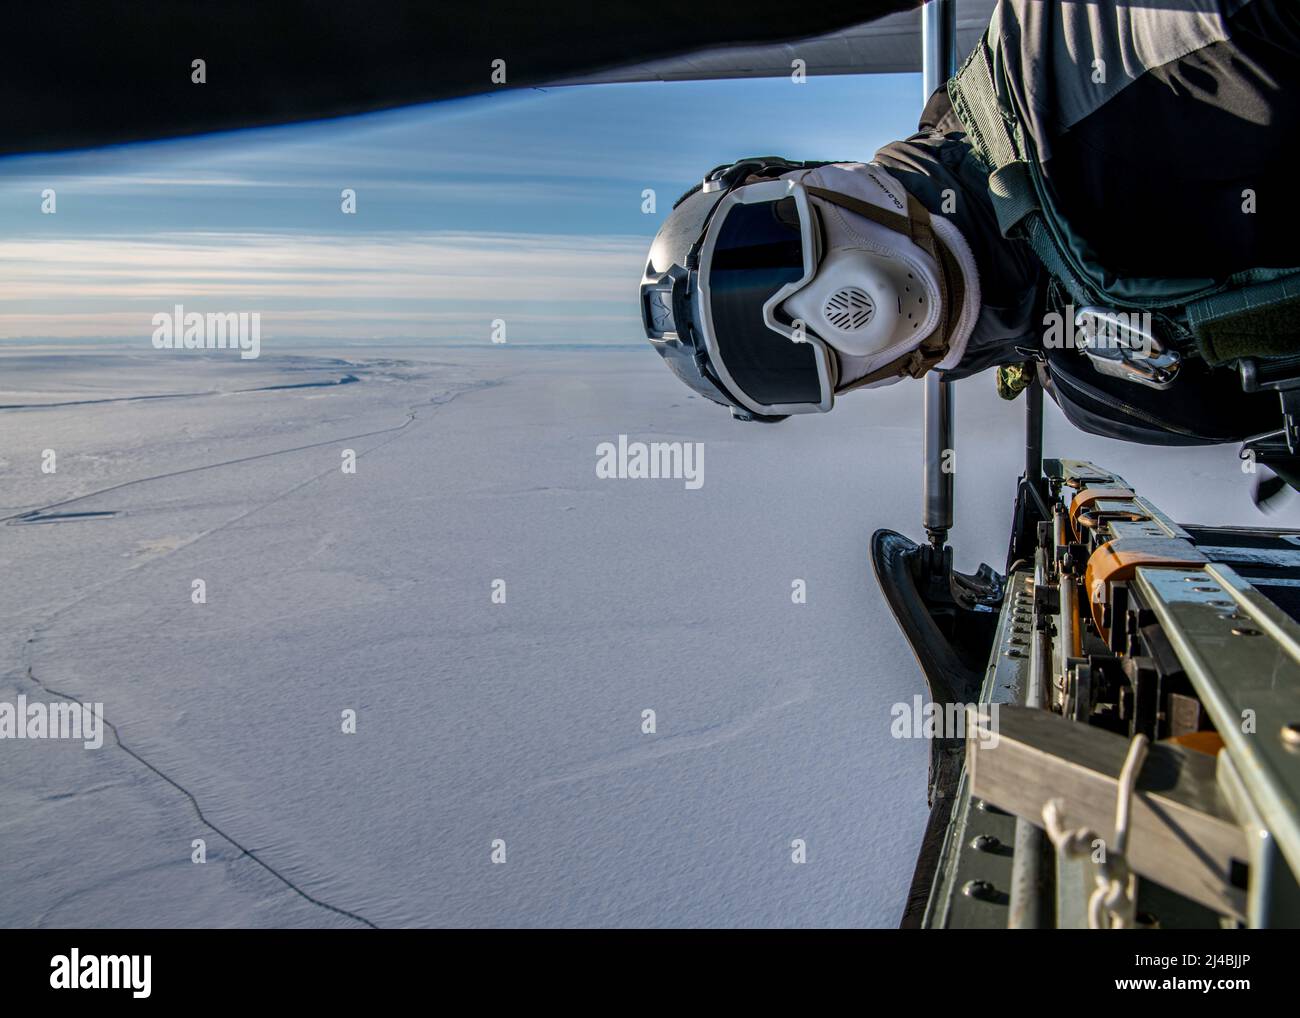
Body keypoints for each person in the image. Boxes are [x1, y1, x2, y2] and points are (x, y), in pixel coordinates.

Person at [638, 0, 1300, 449]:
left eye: (777, 248)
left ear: (811, 175)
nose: (823, 310)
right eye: (787, 362)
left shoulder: (1095, 42)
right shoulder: (1105, 394)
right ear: (845, 386)